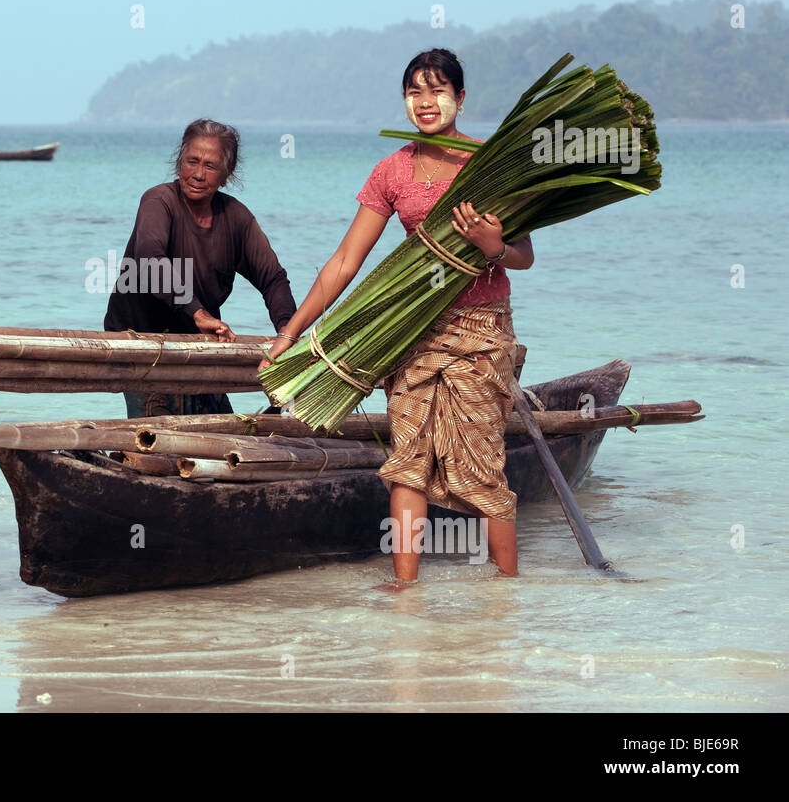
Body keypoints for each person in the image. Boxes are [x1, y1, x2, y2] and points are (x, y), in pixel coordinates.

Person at [259, 49, 534, 581]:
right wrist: (291, 332)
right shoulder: (391, 170)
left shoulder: (491, 164)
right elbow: (344, 262)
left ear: (460, 97)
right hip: (408, 333)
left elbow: (523, 256)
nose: (425, 102)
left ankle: (508, 596)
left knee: (482, 466)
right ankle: (404, 591)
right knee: (406, 464)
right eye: (415, 91)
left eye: (437, 90)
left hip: (479, 332)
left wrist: (493, 245)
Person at [105, 118, 297, 418]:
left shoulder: (236, 218)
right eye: (191, 161)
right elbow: (149, 258)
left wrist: (288, 332)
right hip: (141, 338)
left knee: (218, 429)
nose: (197, 174)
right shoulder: (159, 201)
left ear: (226, 174)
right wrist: (197, 312)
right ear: (179, 162)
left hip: (198, 341)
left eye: (210, 166)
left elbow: (272, 278)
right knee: (156, 437)